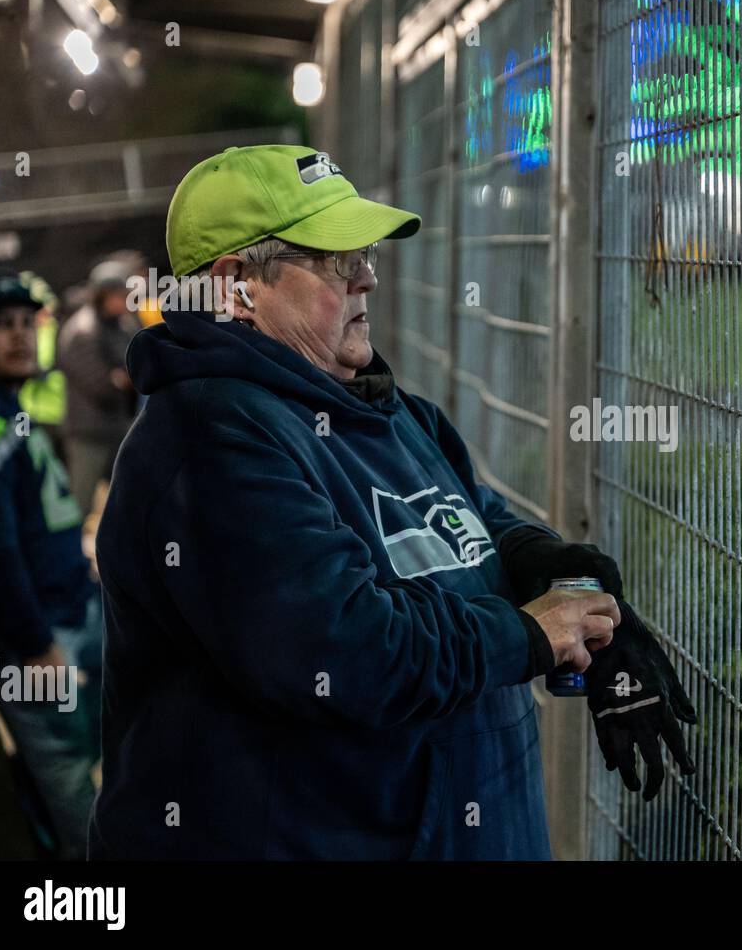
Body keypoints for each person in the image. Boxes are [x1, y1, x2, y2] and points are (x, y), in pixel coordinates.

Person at [89, 144, 696, 860]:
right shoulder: (211, 440)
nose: (368, 278)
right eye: (336, 260)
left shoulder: (386, 409)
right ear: (235, 288)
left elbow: (477, 528)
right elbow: (344, 647)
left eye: (366, 253)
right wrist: (528, 637)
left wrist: (571, 583)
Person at [0, 269, 104, 860]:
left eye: (27, 323)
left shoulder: (8, 407)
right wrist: (35, 646)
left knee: (76, 763)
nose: (20, 336)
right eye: (0, 326)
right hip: (37, 640)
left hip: (66, 611)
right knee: (70, 783)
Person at [55, 255, 142, 520]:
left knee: (134, 495)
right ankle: (66, 558)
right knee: (80, 504)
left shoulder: (122, 325)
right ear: (103, 295)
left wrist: (126, 377)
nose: (125, 300)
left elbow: (137, 363)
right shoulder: (82, 329)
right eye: (119, 294)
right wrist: (123, 380)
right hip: (88, 432)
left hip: (118, 427)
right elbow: (100, 384)